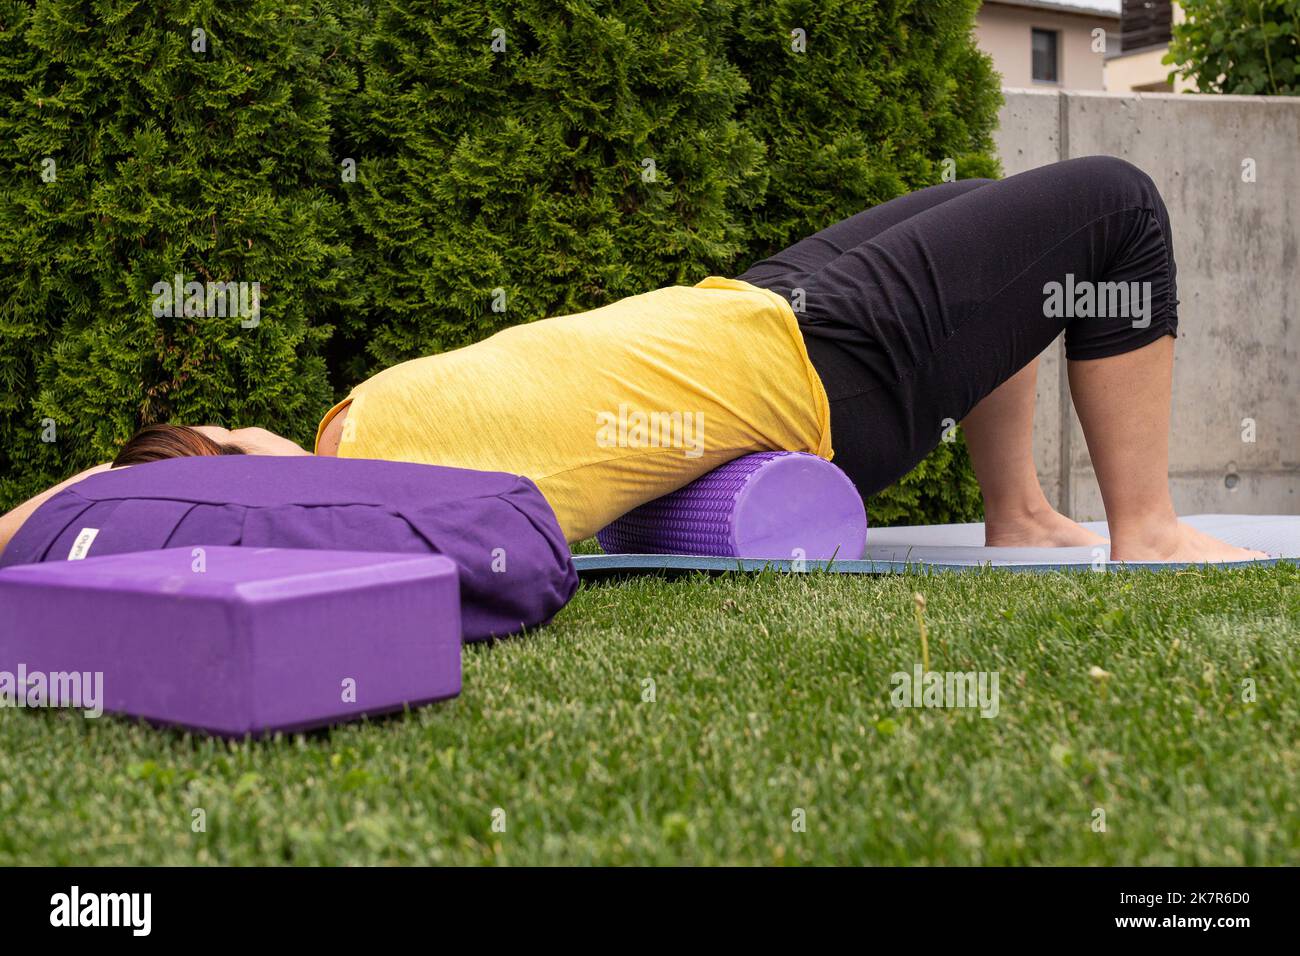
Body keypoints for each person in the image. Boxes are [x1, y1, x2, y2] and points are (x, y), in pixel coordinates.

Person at [0, 157, 1265, 563]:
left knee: (985, 200)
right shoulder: (342, 502)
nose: (239, 426)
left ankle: (1023, 512)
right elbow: (78, 508)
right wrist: (117, 490)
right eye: (221, 439)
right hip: (822, 369)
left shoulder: (352, 437)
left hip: (766, 309)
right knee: (1113, 204)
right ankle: (1143, 525)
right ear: (229, 478)